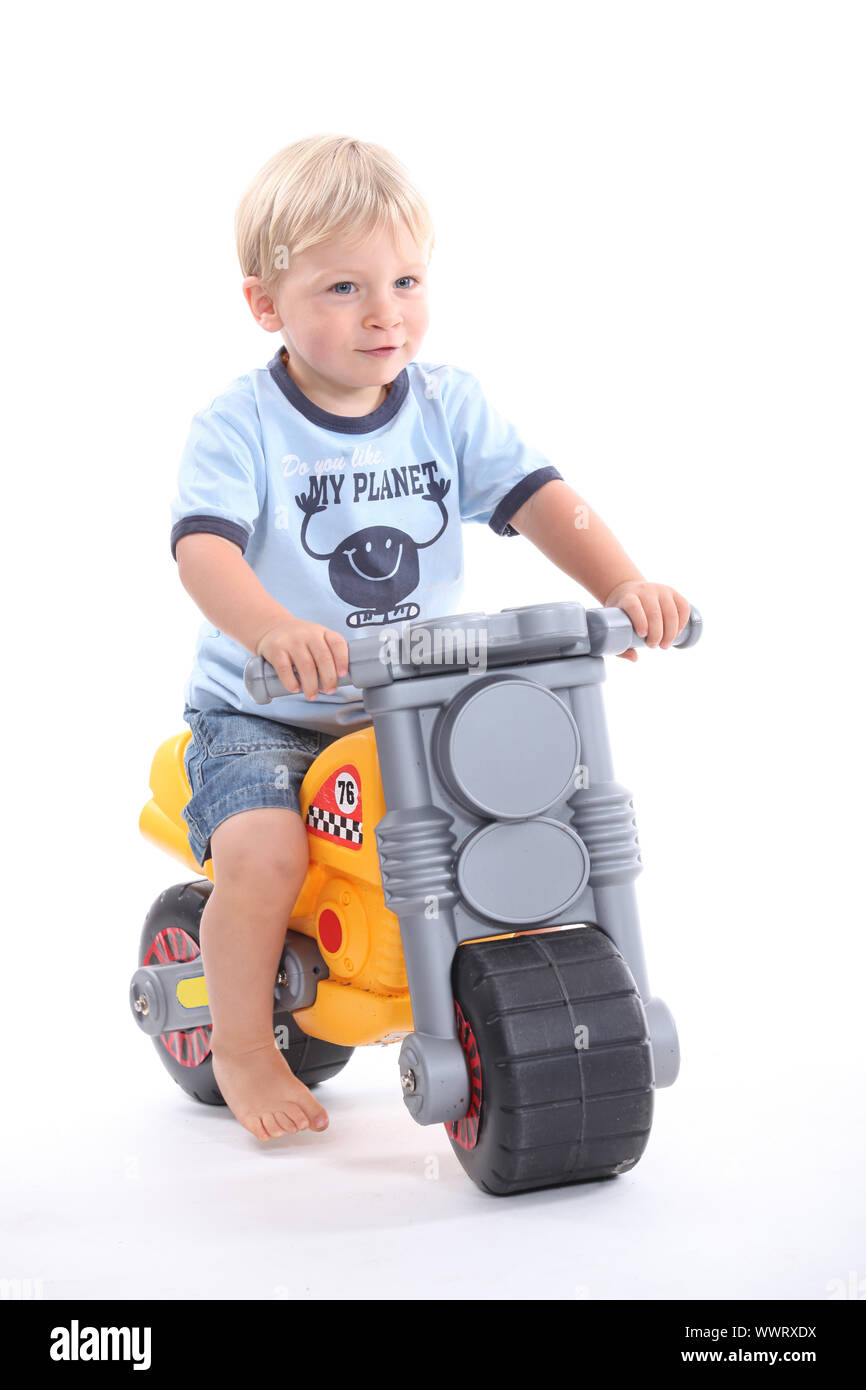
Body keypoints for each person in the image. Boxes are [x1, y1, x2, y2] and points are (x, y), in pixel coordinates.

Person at [171, 133, 692, 1143]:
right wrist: (276, 630)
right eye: (343, 288)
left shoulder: (448, 406)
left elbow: (543, 499)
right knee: (265, 854)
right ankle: (238, 1040)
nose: (384, 312)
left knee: (534, 820)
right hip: (269, 717)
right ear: (264, 305)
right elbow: (204, 551)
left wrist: (621, 583)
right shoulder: (239, 428)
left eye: (405, 279)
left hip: (419, 709)